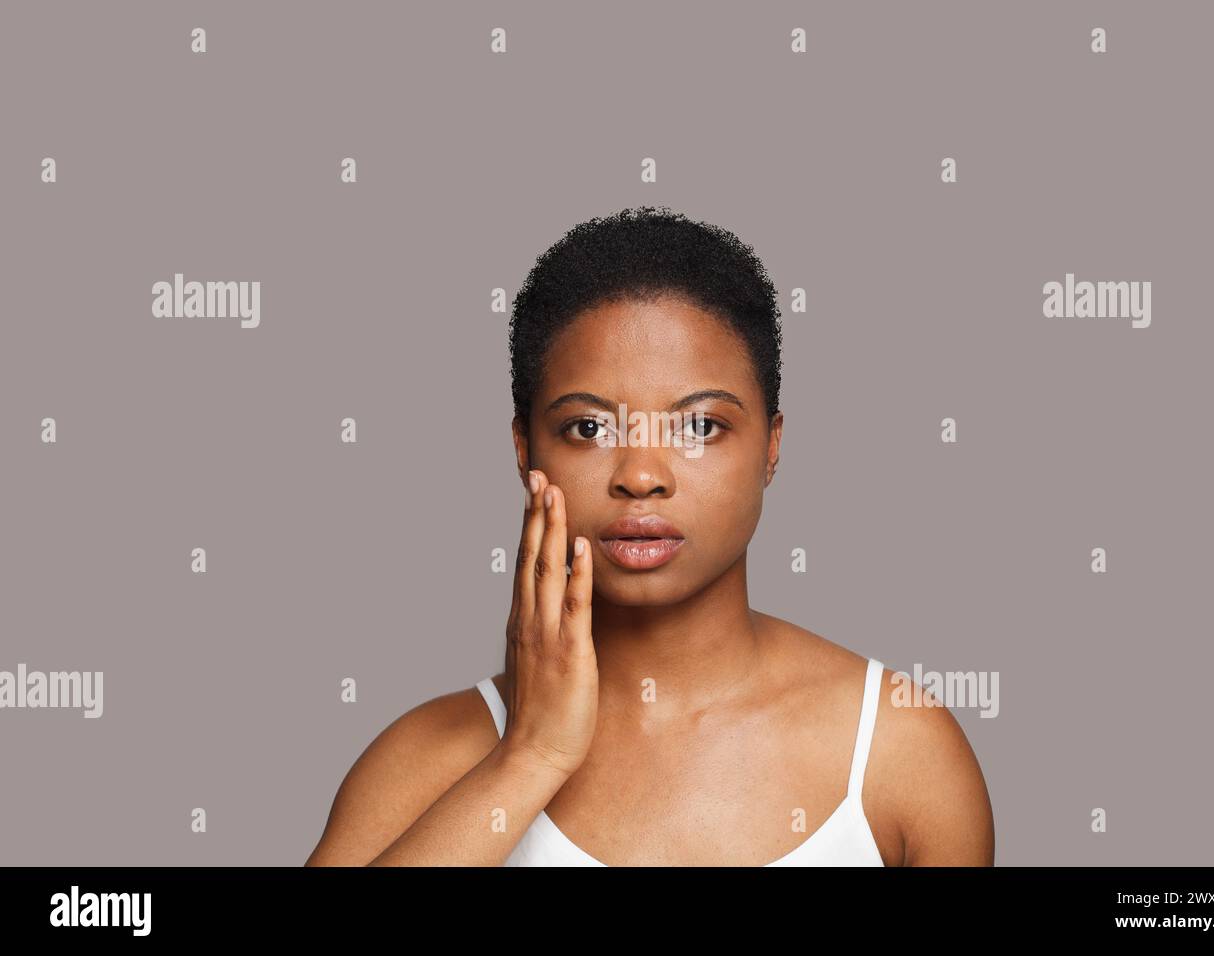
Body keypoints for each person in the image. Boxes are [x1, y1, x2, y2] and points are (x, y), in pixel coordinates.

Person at [305, 206, 995, 866]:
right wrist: (531, 756)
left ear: (772, 446)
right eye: (588, 428)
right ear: (525, 450)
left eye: (698, 427)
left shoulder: (896, 753)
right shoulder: (427, 762)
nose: (641, 476)